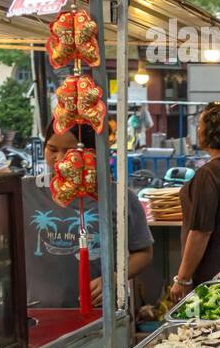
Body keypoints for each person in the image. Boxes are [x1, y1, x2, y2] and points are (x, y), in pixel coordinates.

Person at [22, 125, 153, 308]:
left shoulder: (119, 196)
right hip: (38, 313)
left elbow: (143, 252)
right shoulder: (25, 191)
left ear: (92, 153)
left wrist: (115, 277)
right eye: (52, 149)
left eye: (70, 152)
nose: (59, 159)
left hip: (100, 314)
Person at [170, 104, 220, 301]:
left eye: (200, 125)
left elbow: (201, 232)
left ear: (210, 132)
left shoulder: (208, 175)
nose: (198, 130)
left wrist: (182, 279)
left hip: (214, 278)